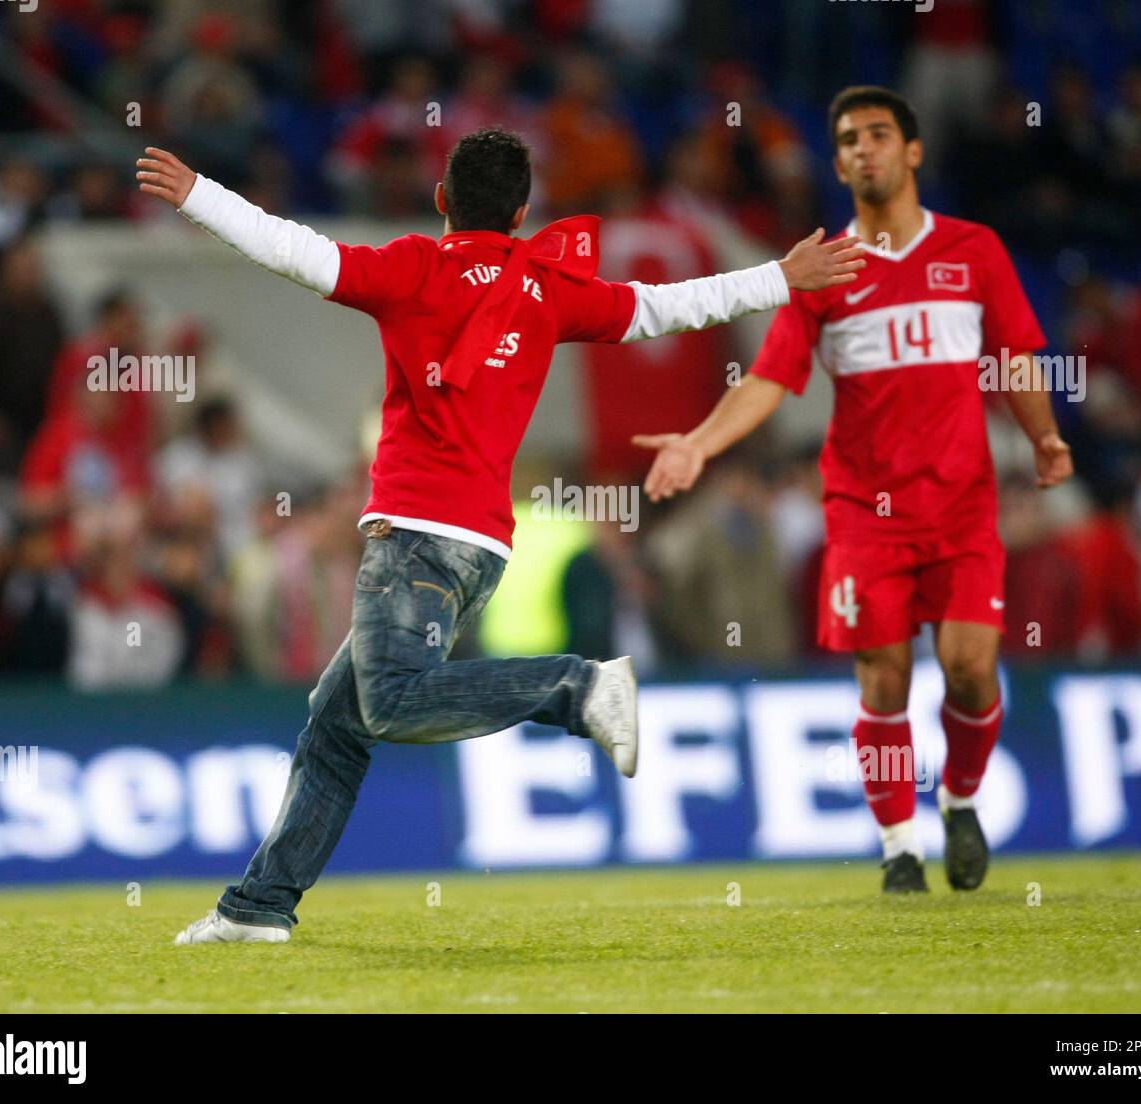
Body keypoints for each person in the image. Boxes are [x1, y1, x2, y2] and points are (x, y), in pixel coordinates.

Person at [136, 127, 865, 942]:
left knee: (391, 701)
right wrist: (780, 276)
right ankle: (260, 908)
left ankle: (577, 688)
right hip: (479, 546)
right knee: (336, 725)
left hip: (413, 535)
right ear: (521, 211)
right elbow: (669, 306)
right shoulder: (547, 286)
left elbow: (292, 250)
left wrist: (198, 193)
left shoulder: (413, 267)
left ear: (443, 199)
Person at [635, 88, 1073, 894]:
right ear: (836, 164)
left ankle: (962, 801)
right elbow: (771, 379)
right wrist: (699, 443)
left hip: (964, 503)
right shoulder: (825, 271)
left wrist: (1043, 437)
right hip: (866, 511)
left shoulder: (974, 251)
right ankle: (899, 845)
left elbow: (1015, 355)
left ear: (912, 152)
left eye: (879, 134)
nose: (864, 148)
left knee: (970, 667)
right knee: (884, 677)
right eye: (848, 140)